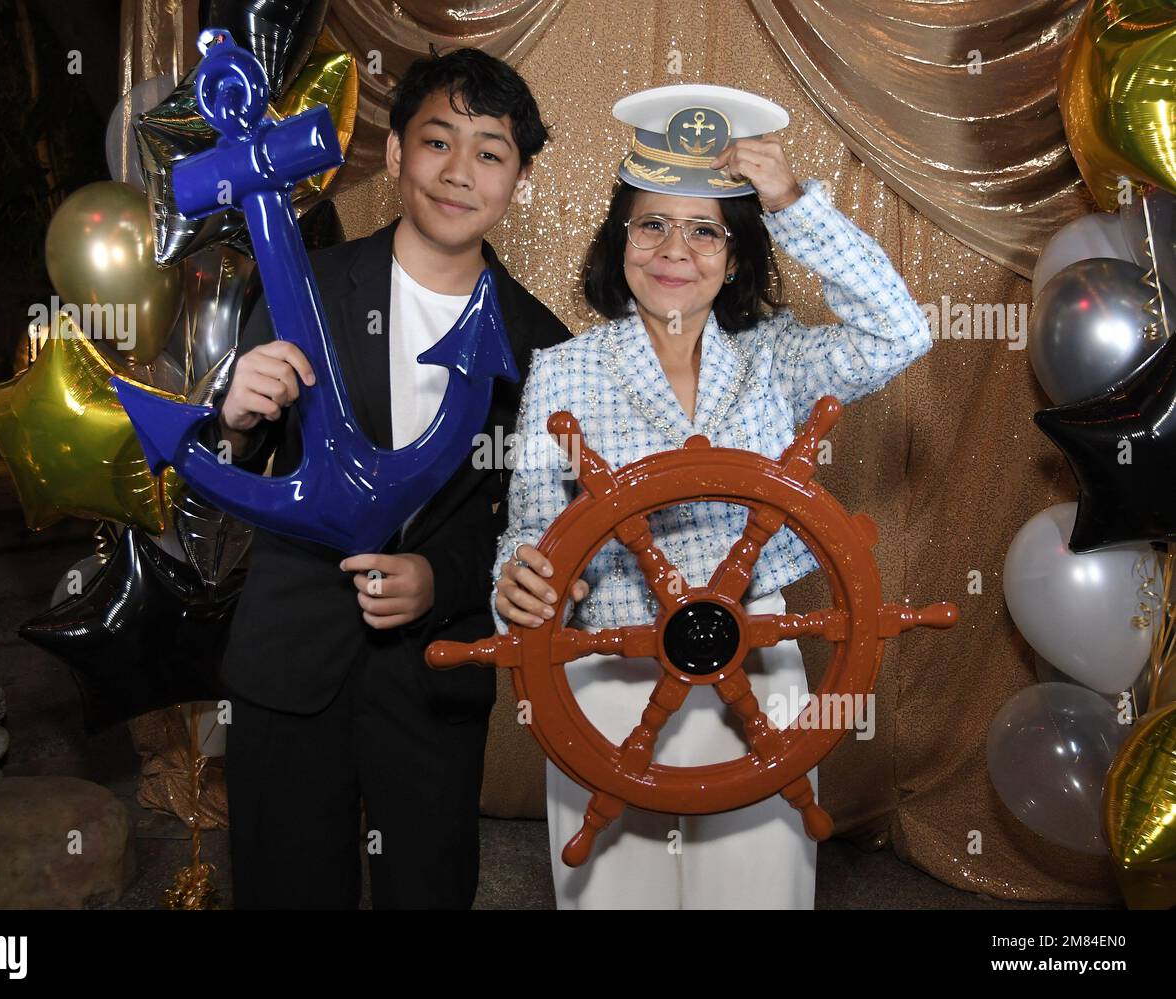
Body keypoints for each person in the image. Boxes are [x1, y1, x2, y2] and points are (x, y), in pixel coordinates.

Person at [491, 84, 932, 909]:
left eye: (705, 230)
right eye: (652, 222)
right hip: (606, 674)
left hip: (753, 662)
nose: (675, 249)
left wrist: (794, 202)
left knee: (755, 894)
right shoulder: (565, 369)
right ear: (620, 238)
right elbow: (529, 532)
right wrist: (517, 578)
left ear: (735, 256)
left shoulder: (777, 359)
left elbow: (899, 331)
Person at [212, 48, 571, 909]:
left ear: (517, 178)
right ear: (400, 153)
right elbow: (231, 476)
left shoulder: (543, 347)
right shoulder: (307, 286)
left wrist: (439, 579)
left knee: (428, 890)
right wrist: (234, 416)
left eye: (490, 152)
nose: (459, 172)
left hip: (433, 673)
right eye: (437, 141)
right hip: (290, 662)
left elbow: (538, 530)